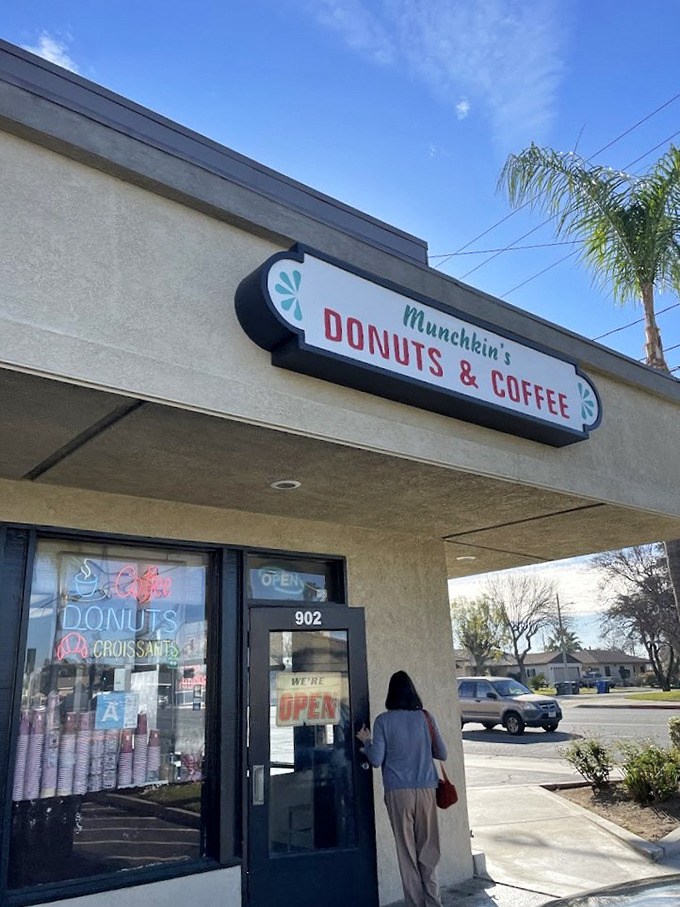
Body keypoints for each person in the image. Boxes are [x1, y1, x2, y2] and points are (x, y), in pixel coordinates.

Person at [357, 671, 447, 907]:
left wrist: (366, 741)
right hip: (427, 790)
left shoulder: (383, 721)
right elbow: (442, 753)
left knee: (406, 853)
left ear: (391, 694)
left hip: (398, 793)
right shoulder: (426, 717)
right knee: (428, 851)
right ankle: (434, 902)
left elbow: (376, 760)